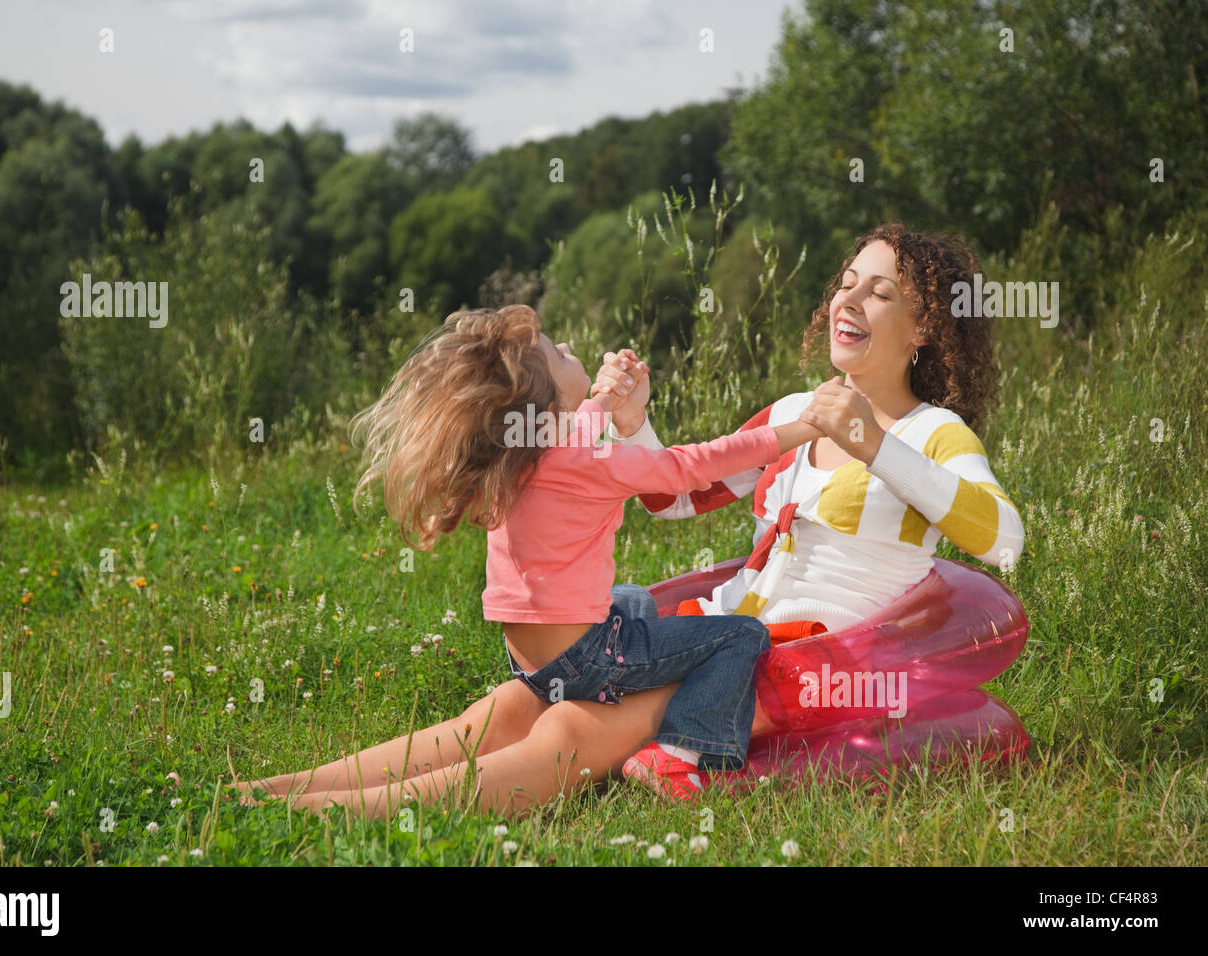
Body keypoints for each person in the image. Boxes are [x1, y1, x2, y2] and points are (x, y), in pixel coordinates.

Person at [234, 223, 1024, 817]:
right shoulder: (795, 412)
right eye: (846, 281)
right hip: (728, 632)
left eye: (879, 291)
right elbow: (673, 496)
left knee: (575, 725)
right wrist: (637, 420)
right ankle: (274, 791)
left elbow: (1002, 538)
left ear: (925, 328)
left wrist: (874, 441)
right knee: (510, 707)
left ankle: (324, 818)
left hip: (811, 662)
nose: (848, 300)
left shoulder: (932, 434)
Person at [236, 303, 824, 814]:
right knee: (741, 635)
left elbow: (581, 432)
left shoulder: (528, 446)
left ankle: (273, 789)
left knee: (636, 600)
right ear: (546, 399)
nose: (568, 346)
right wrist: (799, 428)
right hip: (586, 657)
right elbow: (686, 467)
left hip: (531, 659)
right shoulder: (585, 458)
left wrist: (605, 398)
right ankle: (685, 754)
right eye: (556, 351)